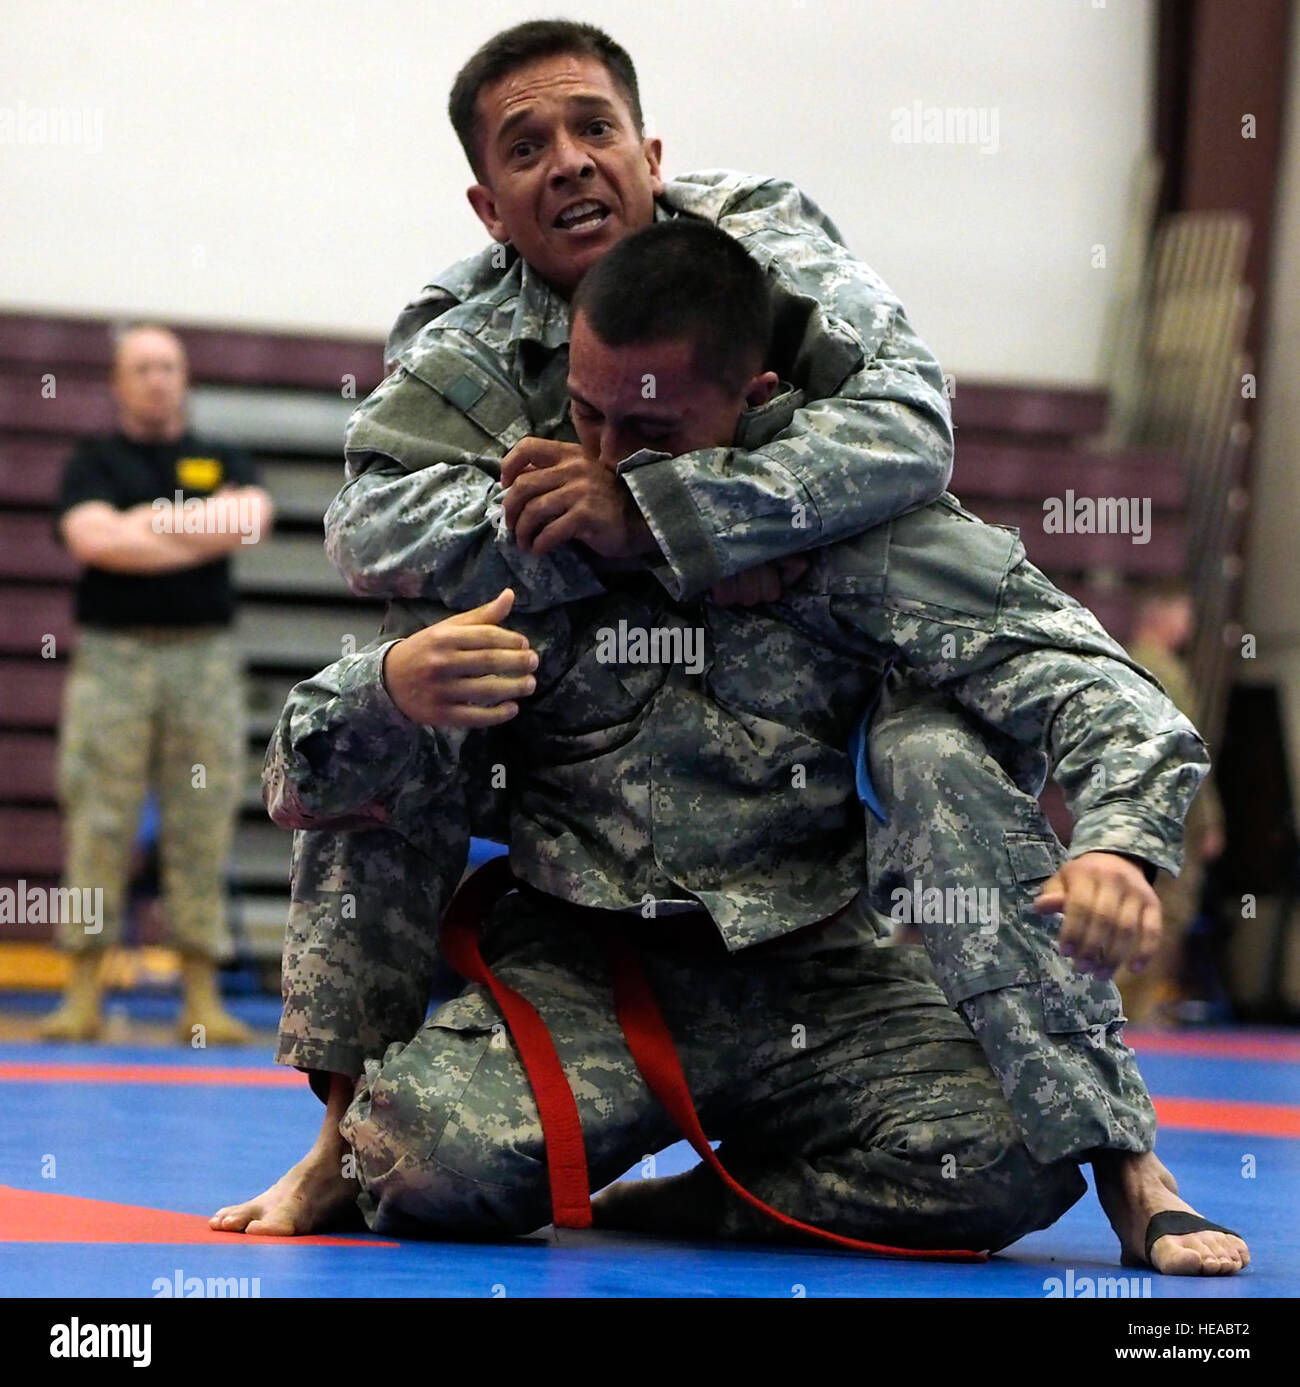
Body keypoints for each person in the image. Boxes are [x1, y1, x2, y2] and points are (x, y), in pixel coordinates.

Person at [216, 223, 1247, 1275]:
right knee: (420, 1161)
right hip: (587, 975)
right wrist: (387, 689)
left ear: (751, 401)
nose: (606, 461)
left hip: (817, 977)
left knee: (1013, 1165)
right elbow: (305, 774)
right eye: (586, 415)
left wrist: (1118, 843)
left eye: (650, 428)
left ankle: (701, 1203)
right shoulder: (526, 522)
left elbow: (1099, 684)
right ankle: (333, 1150)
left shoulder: (851, 529)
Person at [40, 323, 274, 1045]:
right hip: (114, 661)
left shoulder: (218, 456)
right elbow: (92, 540)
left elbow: (251, 519)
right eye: (140, 367)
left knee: (200, 822)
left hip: (203, 660)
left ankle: (199, 997)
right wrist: (194, 530)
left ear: (185, 376)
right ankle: (82, 991)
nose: (155, 378)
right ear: (118, 381)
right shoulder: (94, 462)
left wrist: (144, 527)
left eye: (167, 365)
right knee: (98, 820)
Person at [1117, 579, 1226, 1025]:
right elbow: (1186, 754)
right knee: (1161, 917)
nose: (1189, 624)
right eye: (1185, 614)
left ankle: (1121, 1009)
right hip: (1170, 818)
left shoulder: (1118, 661)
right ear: (1163, 614)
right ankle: (1128, 1010)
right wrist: (1208, 821)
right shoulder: (1168, 672)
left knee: (1129, 910)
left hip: (1127, 814)